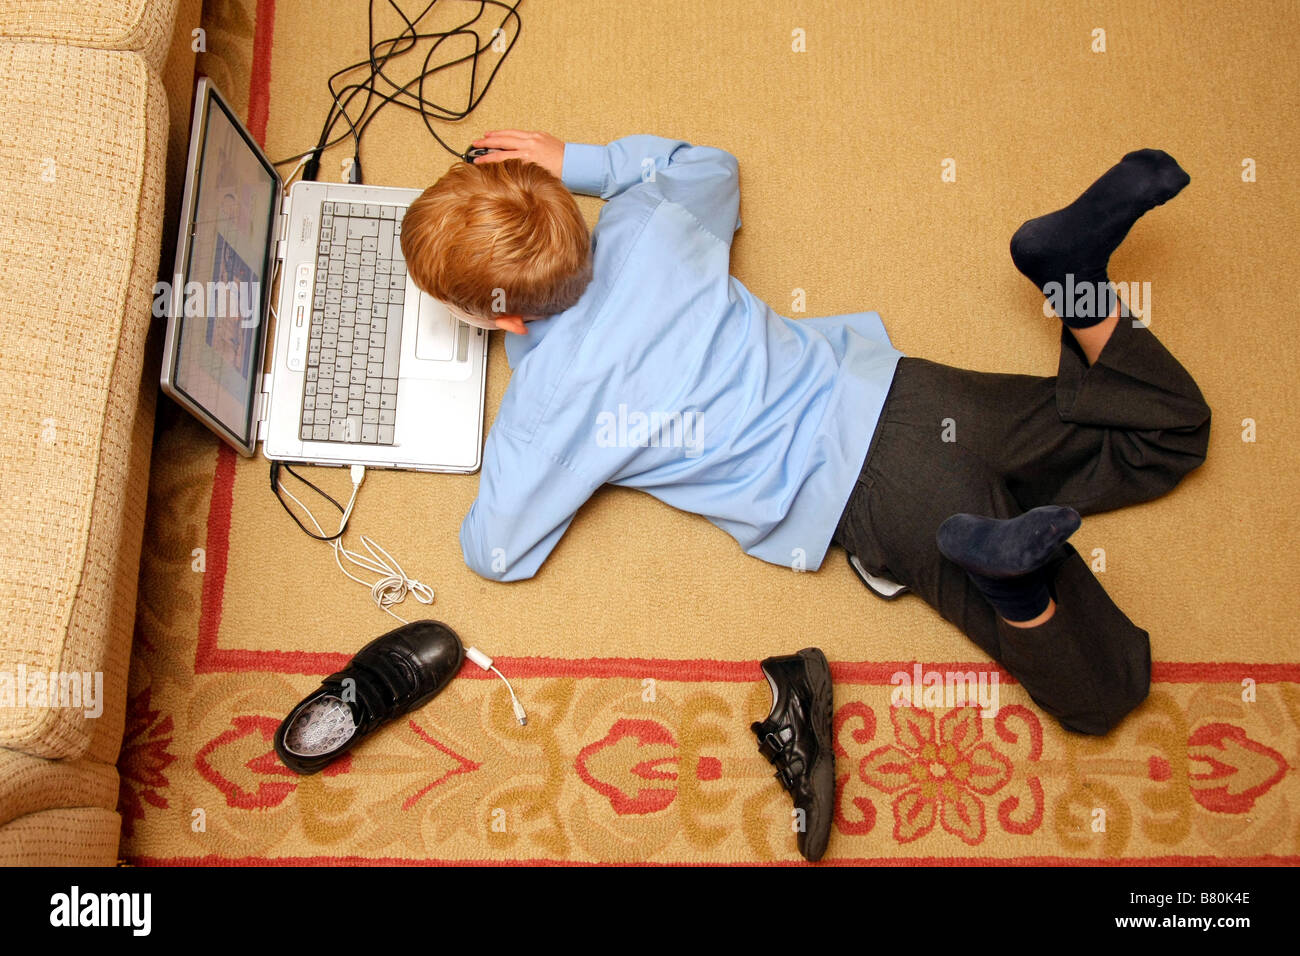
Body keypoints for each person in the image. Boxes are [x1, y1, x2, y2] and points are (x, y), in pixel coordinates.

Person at [399, 134, 1211, 861]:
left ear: (497, 322)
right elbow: (709, 166)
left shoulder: (547, 404)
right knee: (1170, 434)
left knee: (1107, 693)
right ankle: (1071, 279)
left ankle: (1016, 588)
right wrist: (579, 161)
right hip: (912, 397)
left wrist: (526, 407)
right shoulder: (647, 226)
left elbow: (494, 551)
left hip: (882, 501)